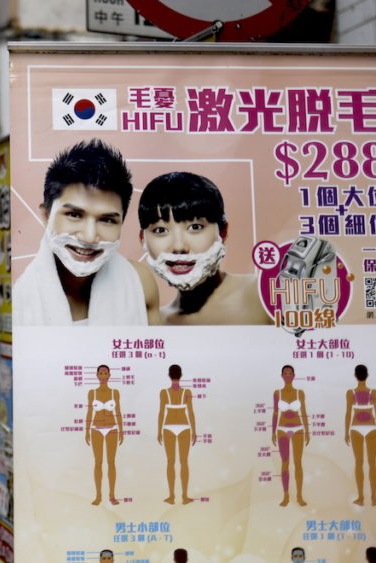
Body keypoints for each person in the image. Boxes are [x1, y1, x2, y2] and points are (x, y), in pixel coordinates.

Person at [14, 139, 160, 326]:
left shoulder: (140, 283)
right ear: (45, 216)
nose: (89, 237)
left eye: (107, 220)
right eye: (74, 215)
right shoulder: (18, 297)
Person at [138, 171, 272, 325]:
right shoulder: (156, 322)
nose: (179, 247)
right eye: (160, 230)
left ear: (223, 232)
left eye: (195, 227)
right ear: (143, 240)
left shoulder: (265, 292)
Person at [345, 364, 376, 506]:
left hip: (355, 428)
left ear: (355, 376)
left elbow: (348, 414)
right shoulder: (373, 392)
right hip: (371, 428)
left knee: (359, 463)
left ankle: (361, 498)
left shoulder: (350, 393)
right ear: (367, 375)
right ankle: (373, 498)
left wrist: (345, 431)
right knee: (372, 463)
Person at [158, 364, 196, 505]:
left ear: (169, 375)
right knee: (184, 462)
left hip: (168, 427)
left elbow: (161, 413)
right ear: (181, 375)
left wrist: (158, 430)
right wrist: (194, 430)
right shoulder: (187, 392)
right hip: (184, 427)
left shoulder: (163, 393)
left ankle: (171, 496)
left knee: (170, 462)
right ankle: (184, 496)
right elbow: (191, 412)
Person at [86, 364, 123, 505]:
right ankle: (98, 496)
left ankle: (112, 495)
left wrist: (122, 430)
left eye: (105, 373)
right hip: (96, 428)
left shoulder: (115, 393)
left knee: (111, 462)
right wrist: (86, 430)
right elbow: (89, 412)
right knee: (98, 463)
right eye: (100, 373)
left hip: (112, 428)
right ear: (97, 375)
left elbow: (118, 412)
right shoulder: (92, 393)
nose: (102, 376)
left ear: (109, 375)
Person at [272, 364, 309, 506]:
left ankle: (299, 496)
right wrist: (273, 430)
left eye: (290, 373)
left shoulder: (300, 393)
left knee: (298, 463)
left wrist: (307, 430)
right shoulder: (277, 393)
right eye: (285, 373)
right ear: (282, 376)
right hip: (281, 429)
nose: (287, 376)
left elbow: (304, 412)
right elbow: (275, 412)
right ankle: (286, 496)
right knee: (285, 463)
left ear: (294, 376)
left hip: (298, 428)